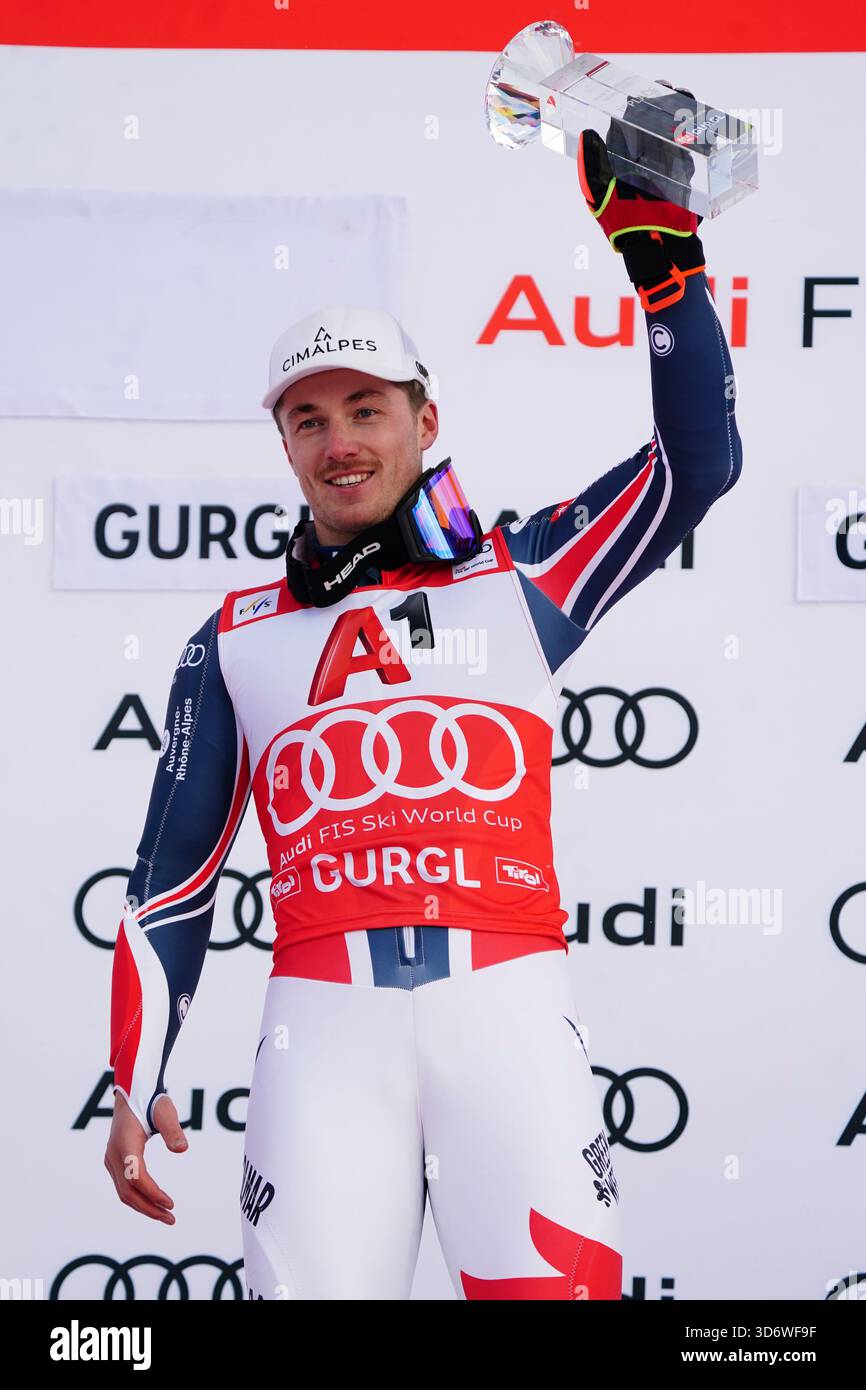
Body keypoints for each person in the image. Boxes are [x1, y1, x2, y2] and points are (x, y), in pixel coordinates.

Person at [104, 125, 742, 1299]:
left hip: (507, 1019)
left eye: (366, 409)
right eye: (309, 420)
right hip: (320, 1038)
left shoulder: (524, 574)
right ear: (284, 444)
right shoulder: (235, 637)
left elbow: (693, 466)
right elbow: (171, 885)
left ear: (423, 422)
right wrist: (135, 1076)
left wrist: (663, 270)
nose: (340, 442)